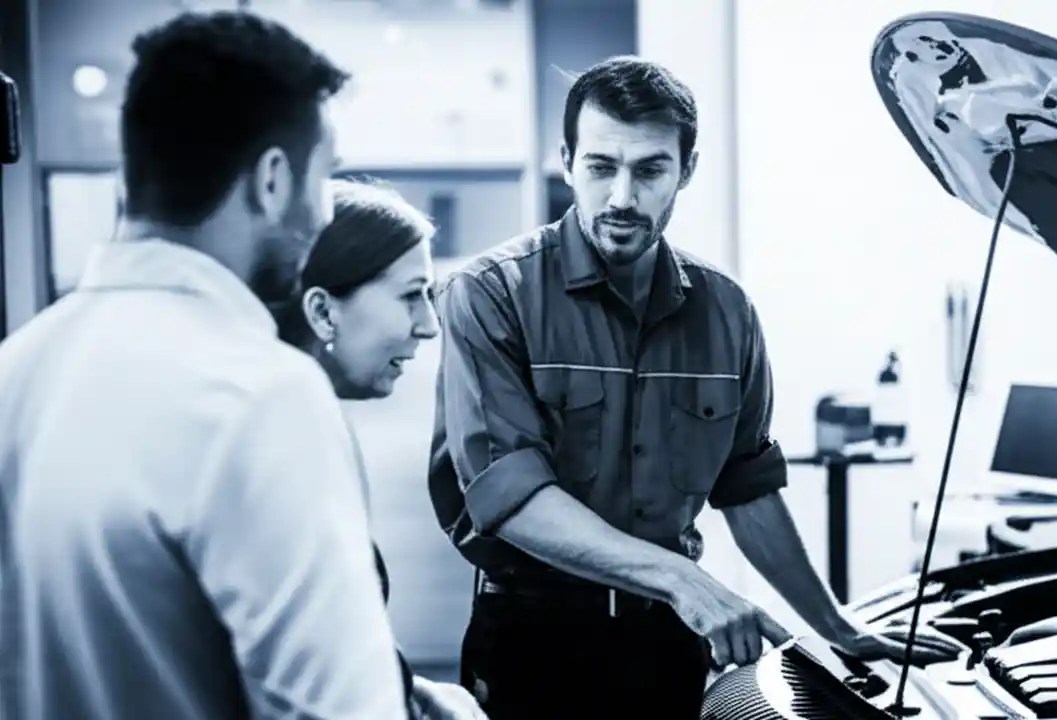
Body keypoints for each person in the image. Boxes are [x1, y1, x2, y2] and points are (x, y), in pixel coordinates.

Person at [428, 56, 957, 718]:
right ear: (566, 160)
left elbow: (747, 487)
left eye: (650, 169)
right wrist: (683, 578)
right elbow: (509, 498)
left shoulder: (726, 310)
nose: (622, 197)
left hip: (666, 645)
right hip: (532, 640)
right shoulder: (489, 293)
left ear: (687, 170)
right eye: (600, 166)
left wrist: (837, 625)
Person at [0, 12, 411, 719]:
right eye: (328, 174)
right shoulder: (261, 394)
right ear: (274, 180)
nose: (324, 213)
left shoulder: (15, 368)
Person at [274, 178, 485, 720]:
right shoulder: (278, 446)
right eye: (411, 295)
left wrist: (410, 689)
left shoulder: (309, 422)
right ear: (323, 313)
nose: (429, 326)